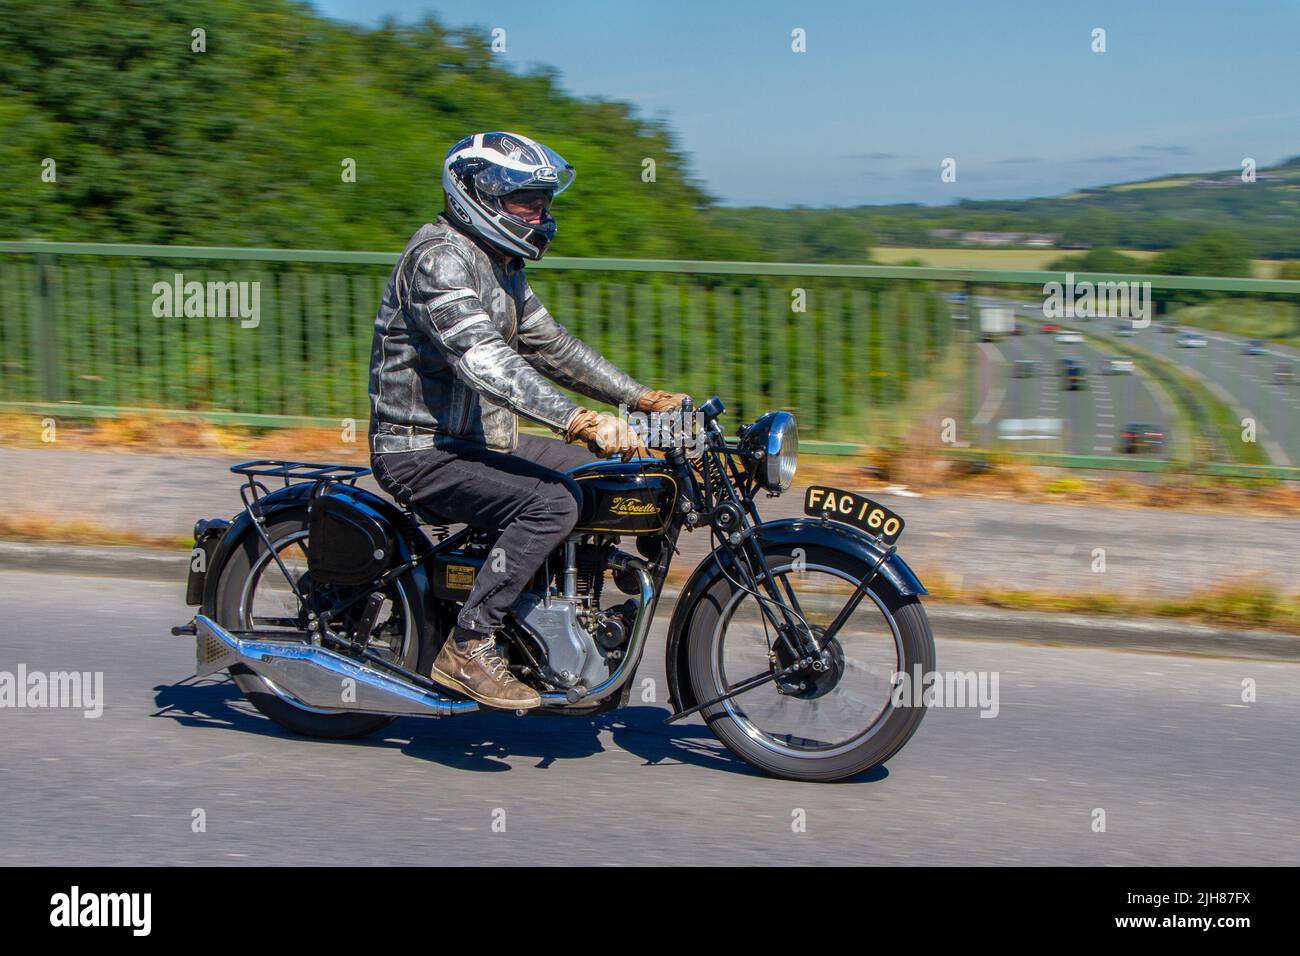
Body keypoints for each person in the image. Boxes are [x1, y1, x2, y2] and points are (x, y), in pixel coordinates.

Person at [368, 131, 687, 710]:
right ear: (477, 196)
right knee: (553, 503)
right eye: (526, 200)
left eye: (545, 200)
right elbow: (485, 360)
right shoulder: (437, 260)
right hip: (419, 450)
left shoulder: (501, 265)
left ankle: (563, 612)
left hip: (481, 441)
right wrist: (578, 418)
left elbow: (552, 346)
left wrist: (641, 397)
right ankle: (468, 645)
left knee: (605, 475)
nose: (541, 213)